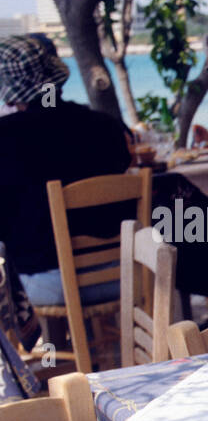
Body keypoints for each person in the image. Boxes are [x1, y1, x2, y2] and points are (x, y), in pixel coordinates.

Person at [0, 34, 132, 307]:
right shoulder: (105, 126)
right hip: (125, 272)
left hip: (53, 285)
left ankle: (45, 345)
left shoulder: (6, 138)